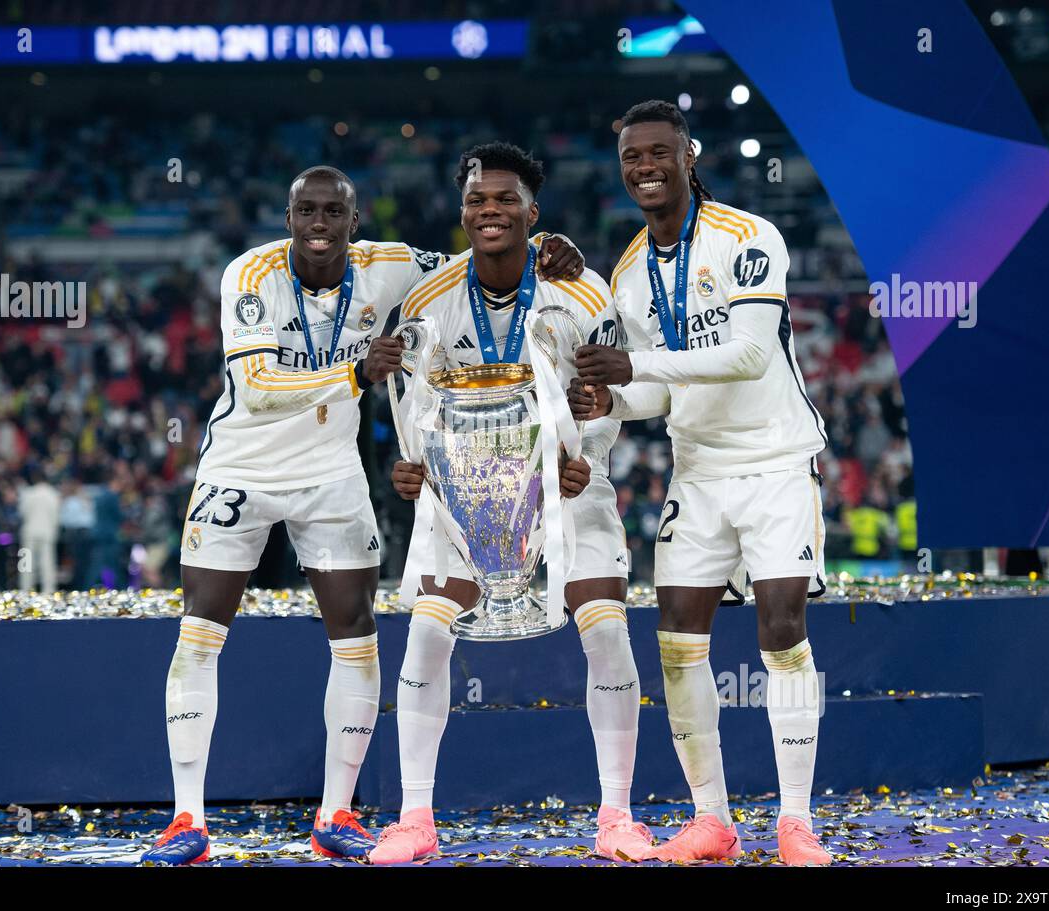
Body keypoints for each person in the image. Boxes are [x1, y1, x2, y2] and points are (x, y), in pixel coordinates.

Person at [142, 165, 584, 864]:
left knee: (355, 631)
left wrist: (549, 248)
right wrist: (353, 374)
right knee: (200, 631)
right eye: (305, 211)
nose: (318, 225)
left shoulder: (393, 267)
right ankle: (186, 819)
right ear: (289, 218)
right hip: (241, 466)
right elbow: (256, 389)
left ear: (355, 222)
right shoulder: (249, 276)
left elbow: (481, 257)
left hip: (331, 471)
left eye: (333, 213)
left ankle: (336, 812)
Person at [371, 142, 653, 864]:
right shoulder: (430, 298)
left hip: (566, 490)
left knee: (606, 632)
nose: (488, 211)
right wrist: (414, 466)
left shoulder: (582, 289)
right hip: (464, 501)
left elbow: (611, 393)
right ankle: (415, 818)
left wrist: (586, 448)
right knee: (428, 635)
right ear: (462, 211)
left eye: (504, 200)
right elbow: (413, 400)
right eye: (476, 200)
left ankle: (616, 816)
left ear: (533, 211)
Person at [569, 100, 832, 865]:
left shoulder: (750, 238)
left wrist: (636, 368)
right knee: (679, 641)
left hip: (776, 459)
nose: (645, 166)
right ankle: (712, 818)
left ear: (690, 154)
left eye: (659, 151)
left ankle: (795, 822)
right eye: (631, 157)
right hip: (700, 469)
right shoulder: (628, 271)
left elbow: (750, 355)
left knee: (781, 629)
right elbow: (656, 395)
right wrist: (611, 398)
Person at [18, 466, 62, 593]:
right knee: (47, 564)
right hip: (47, 532)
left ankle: (25, 590)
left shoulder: (28, 493)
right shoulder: (52, 494)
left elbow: (23, 513)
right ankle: (48, 591)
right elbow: (55, 516)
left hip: (29, 532)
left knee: (26, 564)